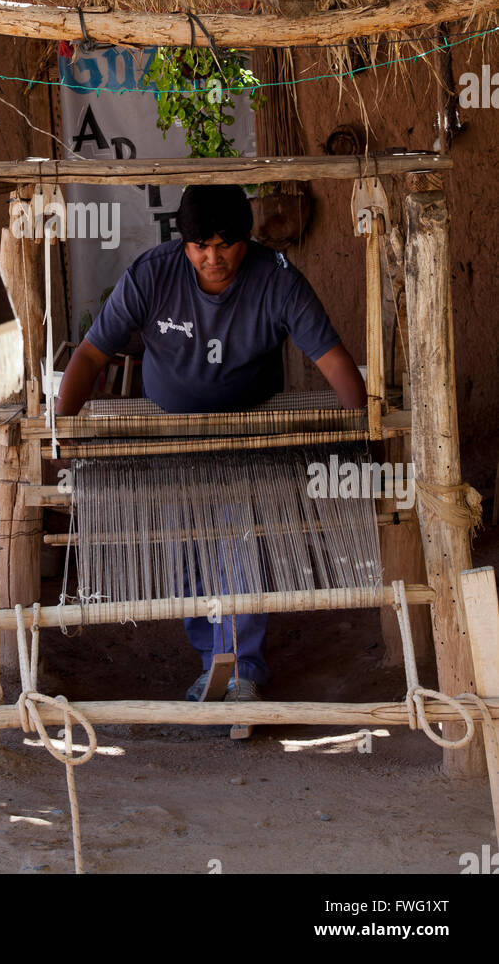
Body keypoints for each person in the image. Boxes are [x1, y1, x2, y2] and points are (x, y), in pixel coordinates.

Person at [55, 183, 366, 733]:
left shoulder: (277, 278)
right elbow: (90, 353)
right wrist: (61, 432)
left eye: (224, 244)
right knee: (188, 547)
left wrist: (363, 435)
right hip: (173, 439)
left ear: (246, 240)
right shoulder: (152, 274)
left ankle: (243, 668)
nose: (212, 257)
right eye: (199, 245)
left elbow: (333, 360)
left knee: (241, 539)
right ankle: (211, 663)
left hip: (250, 434)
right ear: (184, 243)